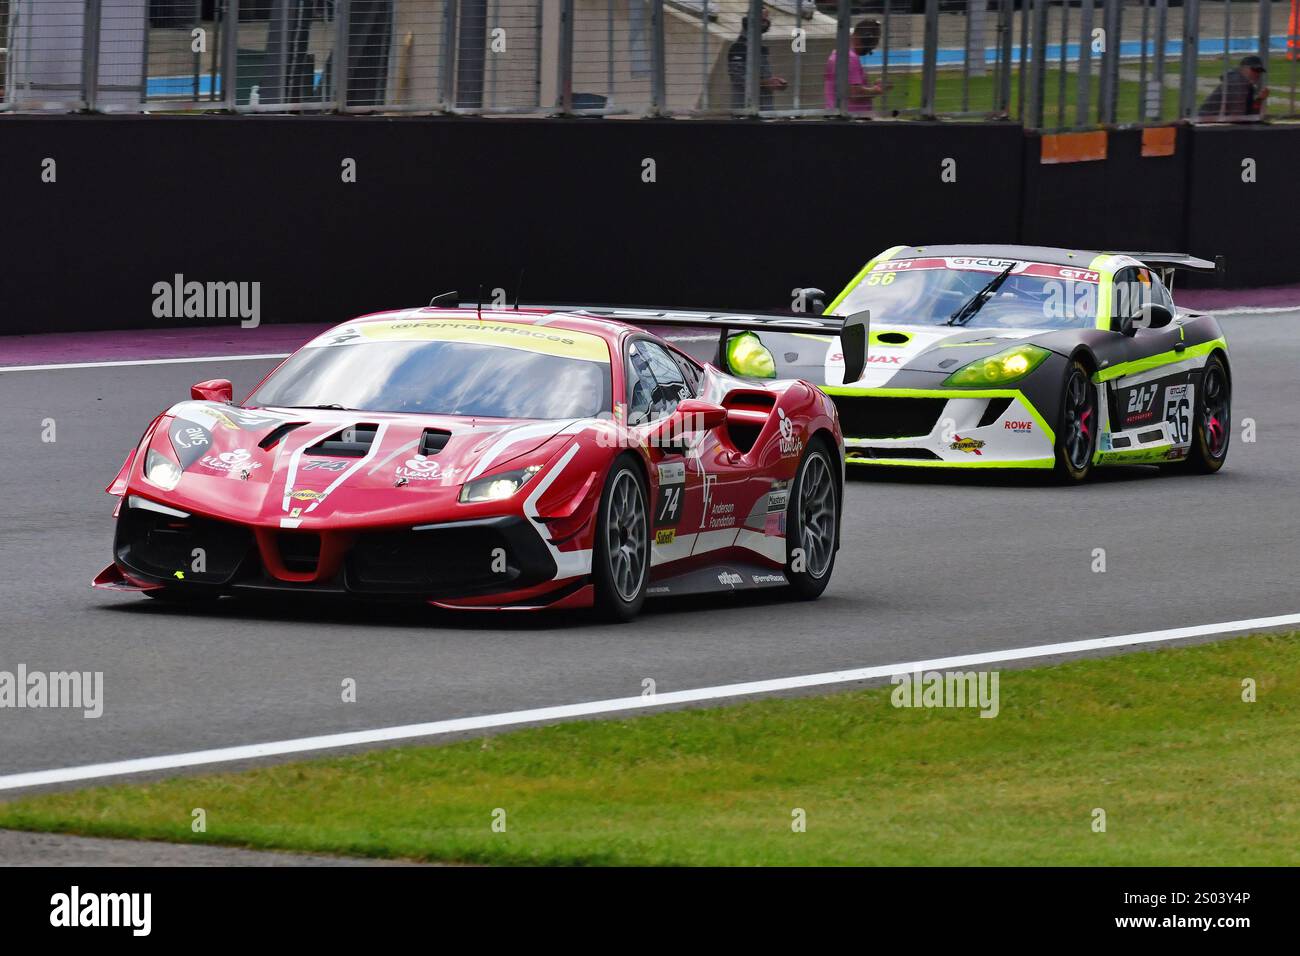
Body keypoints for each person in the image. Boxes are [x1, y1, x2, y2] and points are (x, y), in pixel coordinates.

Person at [727, 14, 788, 112]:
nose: (767, 22)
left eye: (767, 18)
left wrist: (774, 81)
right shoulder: (739, 47)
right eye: (763, 19)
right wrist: (766, 83)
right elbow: (738, 78)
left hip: (764, 108)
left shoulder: (759, 46)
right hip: (745, 108)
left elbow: (764, 76)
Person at [1198, 55, 1270, 122]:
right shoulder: (1236, 82)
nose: (1257, 74)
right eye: (1254, 70)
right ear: (1243, 68)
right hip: (1207, 125)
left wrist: (1259, 99)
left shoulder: (1247, 86)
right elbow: (1238, 118)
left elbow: (1250, 114)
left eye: (1259, 71)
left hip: (1216, 124)